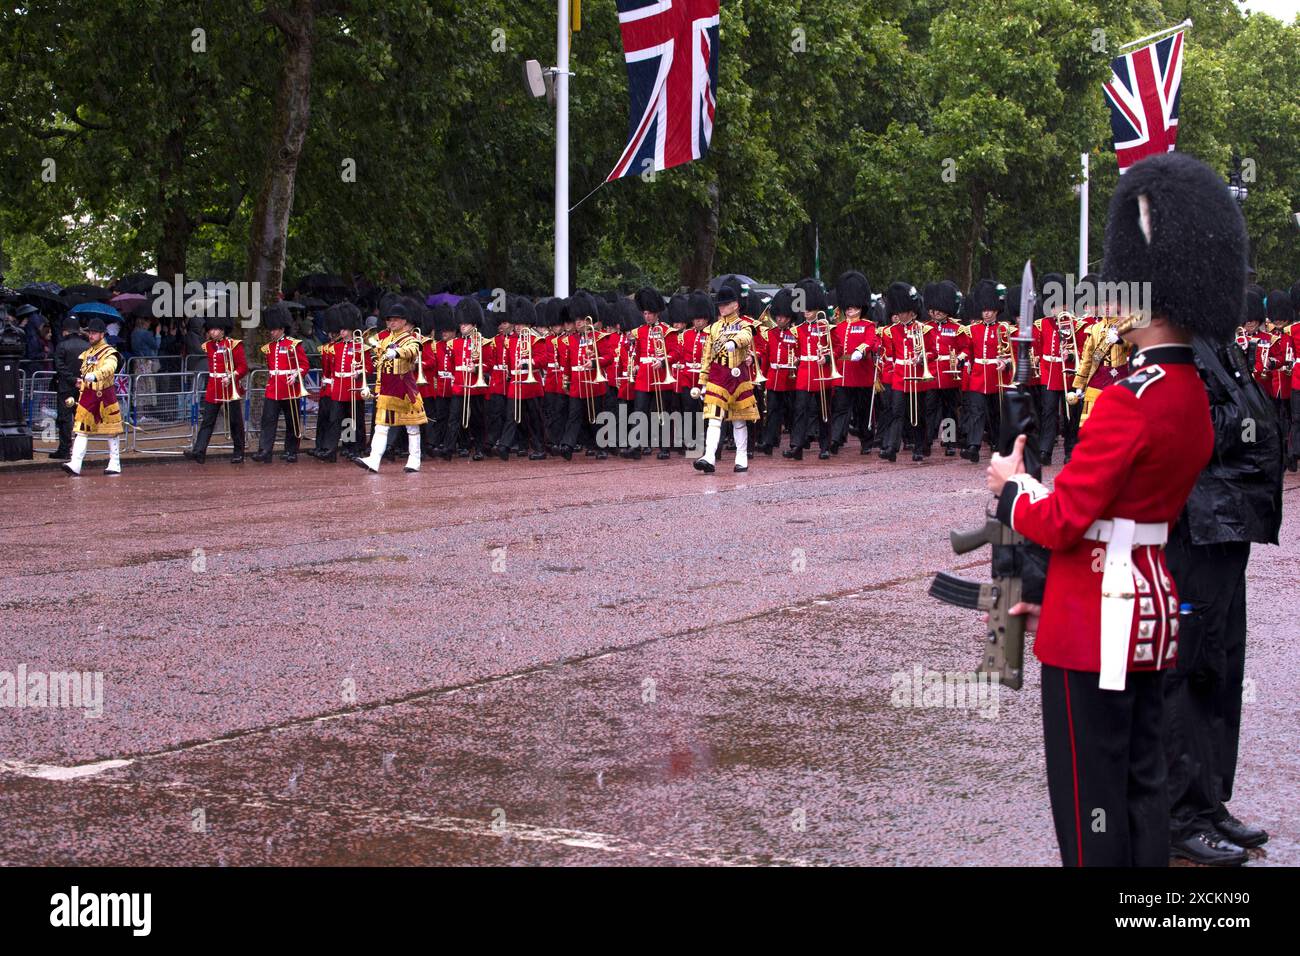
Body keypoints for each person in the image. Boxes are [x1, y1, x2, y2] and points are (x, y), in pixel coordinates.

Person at [984, 151, 1246, 867]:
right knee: (1142, 786)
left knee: (1090, 800)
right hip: (1150, 602)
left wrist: (1011, 487)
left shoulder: (1132, 399)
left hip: (1094, 615)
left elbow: (1064, 518)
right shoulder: (1189, 393)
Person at [1162, 286, 1284, 865]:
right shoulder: (1180, 345)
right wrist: (1248, 419)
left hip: (1229, 525)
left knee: (1222, 670)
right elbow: (1192, 426)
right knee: (1190, 674)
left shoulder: (1219, 344)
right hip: (1197, 525)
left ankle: (1210, 802)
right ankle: (1179, 814)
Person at [692, 286, 758, 473]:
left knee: (738, 419)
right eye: (720, 305)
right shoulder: (713, 328)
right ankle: (709, 457)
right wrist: (702, 382)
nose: (722, 308)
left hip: (737, 375)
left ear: (735, 305)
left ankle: (741, 457)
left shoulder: (744, 325)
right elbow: (707, 357)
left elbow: (746, 337)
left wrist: (734, 342)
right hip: (718, 375)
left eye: (726, 304)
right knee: (714, 418)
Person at [354, 302, 427, 473]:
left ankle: (414, 459)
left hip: (404, 387)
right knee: (381, 425)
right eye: (389, 320)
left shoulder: (410, 339)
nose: (391, 323)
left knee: (412, 426)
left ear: (403, 321)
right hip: (387, 388)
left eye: (395, 320)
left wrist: (397, 352)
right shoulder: (384, 340)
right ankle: (374, 459)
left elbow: (413, 350)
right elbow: (379, 364)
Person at [62, 317, 124, 477]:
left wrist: (95, 375)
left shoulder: (109, 352)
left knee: (111, 430)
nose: (91, 335)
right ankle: (75, 463)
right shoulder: (88, 352)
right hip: (88, 395)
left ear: (102, 334)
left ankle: (115, 462)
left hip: (105, 395)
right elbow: (84, 372)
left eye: (94, 332)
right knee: (81, 429)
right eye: (90, 332)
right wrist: (81, 381)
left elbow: (110, 367)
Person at [184, 316, 248, 463]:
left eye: (215, 329)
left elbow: (243, 367)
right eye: (211, 329)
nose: (212, 332)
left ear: (223, 330)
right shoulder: (209, 346)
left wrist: (231, 377)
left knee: (235, 422)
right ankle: (199, 451)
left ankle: (239, 452)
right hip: (214, 387)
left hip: (229, 386)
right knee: (207, 421)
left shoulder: (234, 345)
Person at [252, 305, 308, 463]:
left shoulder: (293, 344)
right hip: (273, 389)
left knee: (292, 421)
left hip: (290, 389)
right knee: (268, 420)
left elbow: (304, 365)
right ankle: (265, 451)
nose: (271, 332)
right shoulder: (269, 347)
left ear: (282, 328)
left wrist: (296, 375)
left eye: (274, 329)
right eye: (270, 329)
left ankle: (291, 451)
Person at [785, 278, 834, 461]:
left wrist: (827, 357)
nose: (806, 312)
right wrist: (796, 359)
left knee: (823, 412)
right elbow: (796, 349)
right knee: (800, 411)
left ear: (817, 308)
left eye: (810, 309)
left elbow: (836, 348)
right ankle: (797, 445)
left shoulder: (826, 327)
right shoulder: (798, 329)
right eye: (805, 309)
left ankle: (824, 446)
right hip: (805, 373)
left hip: (822, 373)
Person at [830, 271, 878, 455]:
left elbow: (872, 341)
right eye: (847, 307)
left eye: (853, 306)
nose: (849, 309)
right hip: (843, 374)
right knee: (841, 409)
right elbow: (835, 347)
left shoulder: (868, 325)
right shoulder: (839, 327)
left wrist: (861, 350)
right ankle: (835, 438)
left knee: (863, 410)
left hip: (862, 374)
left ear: (861, 307)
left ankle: (866, 440)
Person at [960, 279, 1007, 462]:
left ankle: (997, 442)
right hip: (978, 376)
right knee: (976, 412)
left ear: (996, 310)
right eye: (984, 310)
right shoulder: (973, 329)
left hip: (996, 376)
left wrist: (1006, 363)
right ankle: (973, 446)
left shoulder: (1003, 329)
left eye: (989, 310)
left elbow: (1010, 352)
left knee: (996, 413)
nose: (986, 313)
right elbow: (967, 349)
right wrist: (963, 357)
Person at [49, 317, 88, 461]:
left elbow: (60, 367)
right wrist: (81, 379)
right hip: (83, 386)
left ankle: (64, 449)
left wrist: (72, 379)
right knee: (80, 418)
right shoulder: (86, 345)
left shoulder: (62, 345)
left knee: (65, 419)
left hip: (66, 387)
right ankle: (79, 449)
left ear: (65, 331)